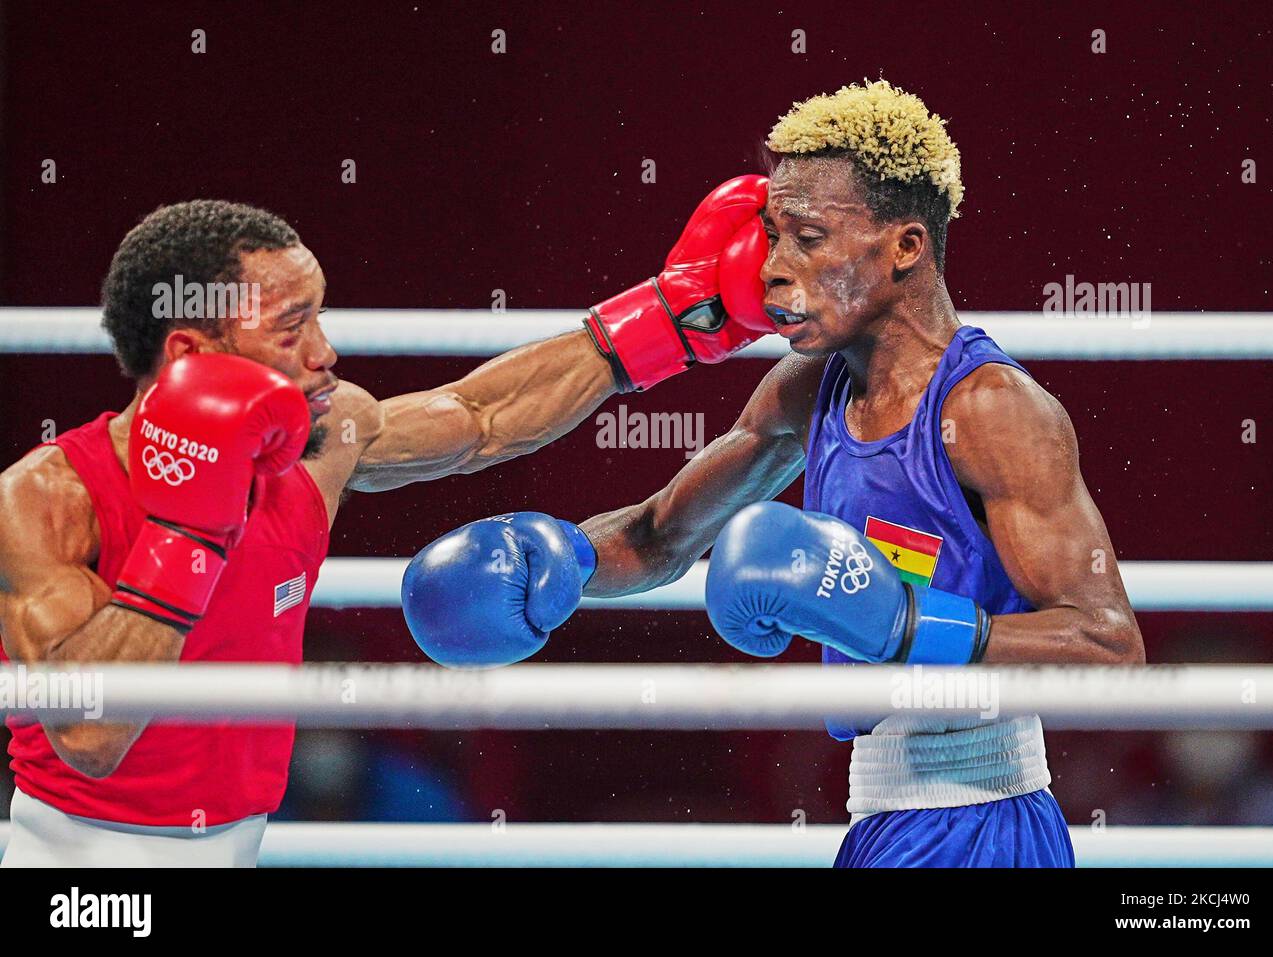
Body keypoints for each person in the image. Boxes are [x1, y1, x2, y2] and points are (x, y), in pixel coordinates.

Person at [404, 79, 1145, 867]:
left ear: (904, 248)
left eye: (809, 238)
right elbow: (663, 535)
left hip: (985, 821)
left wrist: (904, 623)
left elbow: (1109, 649)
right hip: (884, 819)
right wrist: (562, 560)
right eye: (771, 237)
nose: (771, 271)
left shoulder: (993, 409)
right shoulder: (807, 390)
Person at [0, 179, 775, 866]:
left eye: (320, 320)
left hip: (239, 843)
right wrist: (189, 530)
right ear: (191, 351)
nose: (326, 352)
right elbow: (91, 737)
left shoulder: (320, 444)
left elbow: (483, 415)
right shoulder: (47, 498)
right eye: (291, 328)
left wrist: (670, 319)